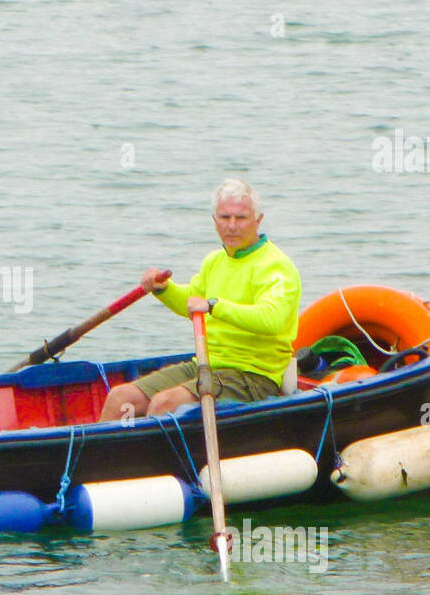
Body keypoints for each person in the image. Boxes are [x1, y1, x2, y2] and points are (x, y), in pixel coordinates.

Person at [99, 179, 301, 421]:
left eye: (241, 218)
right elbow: (191, 302)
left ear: (258, 220)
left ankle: (158, 458)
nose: (232, 226)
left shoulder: (275, 266)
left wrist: (215, 306)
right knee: (120, 398)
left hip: (254, 375)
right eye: (225, 218)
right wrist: (163, 289)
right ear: (214, 221)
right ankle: (105, 459)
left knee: (163, 405)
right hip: (206, 364)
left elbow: (272, 319)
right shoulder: (214, 261)